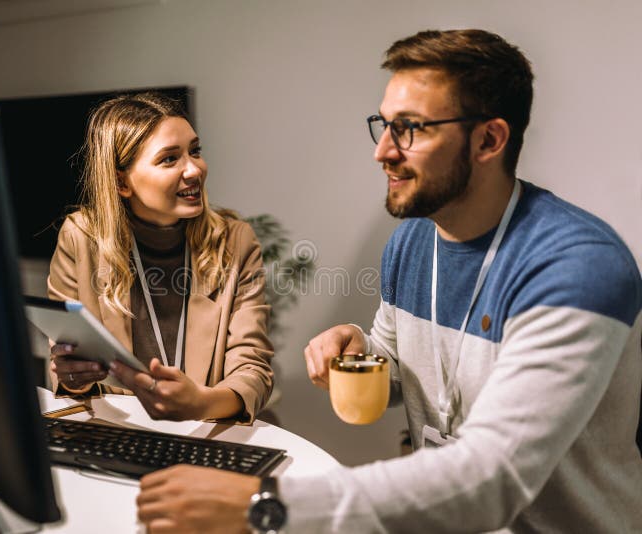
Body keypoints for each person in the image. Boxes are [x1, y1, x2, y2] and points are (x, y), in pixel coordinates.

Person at [134, 29, 642, 533]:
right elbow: (398, 370)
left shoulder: (577, 265)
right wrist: (364, 354)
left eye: (411, 129)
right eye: (384, 125)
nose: (383, 152)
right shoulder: (412, 242)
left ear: (489, 139)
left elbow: (493, 478)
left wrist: (262, 503)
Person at [47, 92, 274, 423]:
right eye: (170, 159)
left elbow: (252, 370)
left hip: (203, 431)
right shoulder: (80, 237)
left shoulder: (235, 242)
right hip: (120, 431)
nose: (194, 170)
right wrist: (72, 376)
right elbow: (66, 374)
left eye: (194, 152)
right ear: (122, 182)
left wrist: (200, 404)